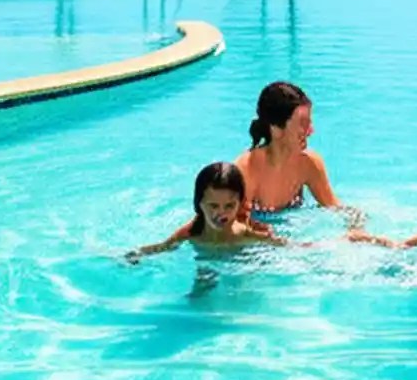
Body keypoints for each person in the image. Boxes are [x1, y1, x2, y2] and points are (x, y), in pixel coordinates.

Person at [234, 82, 345, 224]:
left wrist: (357, 227)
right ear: (276, 128)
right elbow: (236, 227)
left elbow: (334, 207)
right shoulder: (245, 170)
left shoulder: (309, 163)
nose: (311, 131)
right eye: (303, 124)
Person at [125, 162, 281, 262]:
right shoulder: (190, 232)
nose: (221, 213)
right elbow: (163, 247)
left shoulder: (244, 232)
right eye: (213, 206)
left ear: (240, 204)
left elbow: (277, 243)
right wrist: (137, 254)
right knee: (200, 290)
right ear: (199, 203)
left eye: (229, 206)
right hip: (206, 258)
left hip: (237, 256)